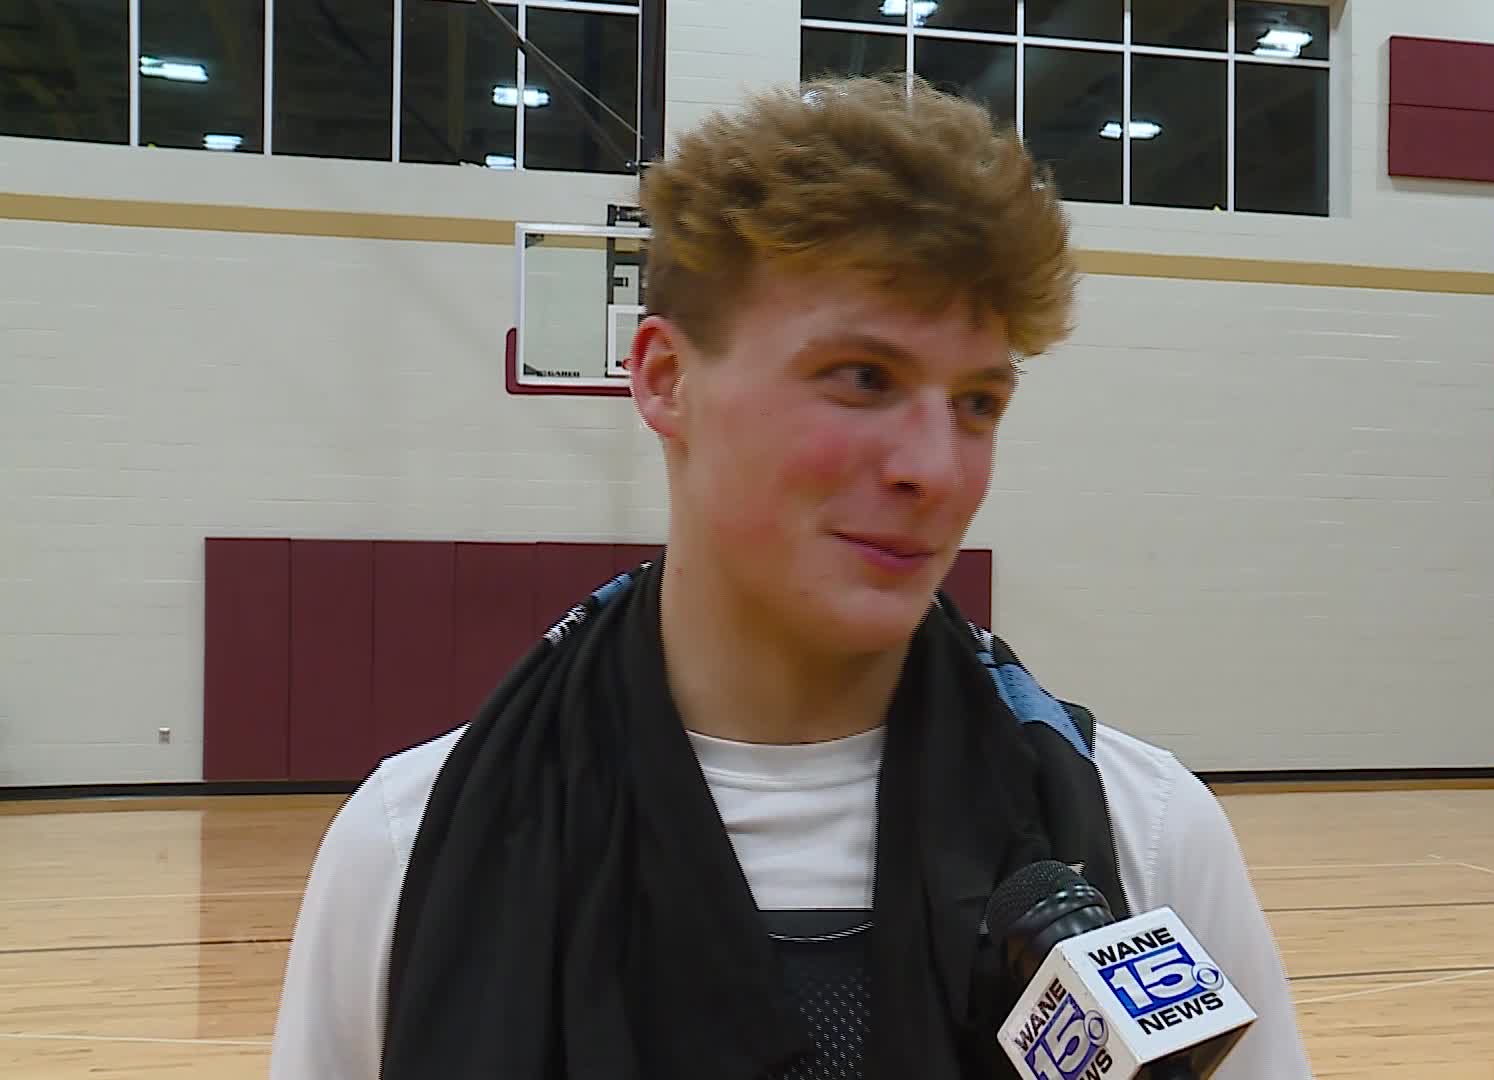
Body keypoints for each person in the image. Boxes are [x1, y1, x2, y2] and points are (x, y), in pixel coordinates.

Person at [267, 74, 1313, 1080]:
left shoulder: (1143, 833)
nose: (935, 469)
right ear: (666, 380)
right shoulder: (409, 844)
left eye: (978, 404)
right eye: (863, 378)